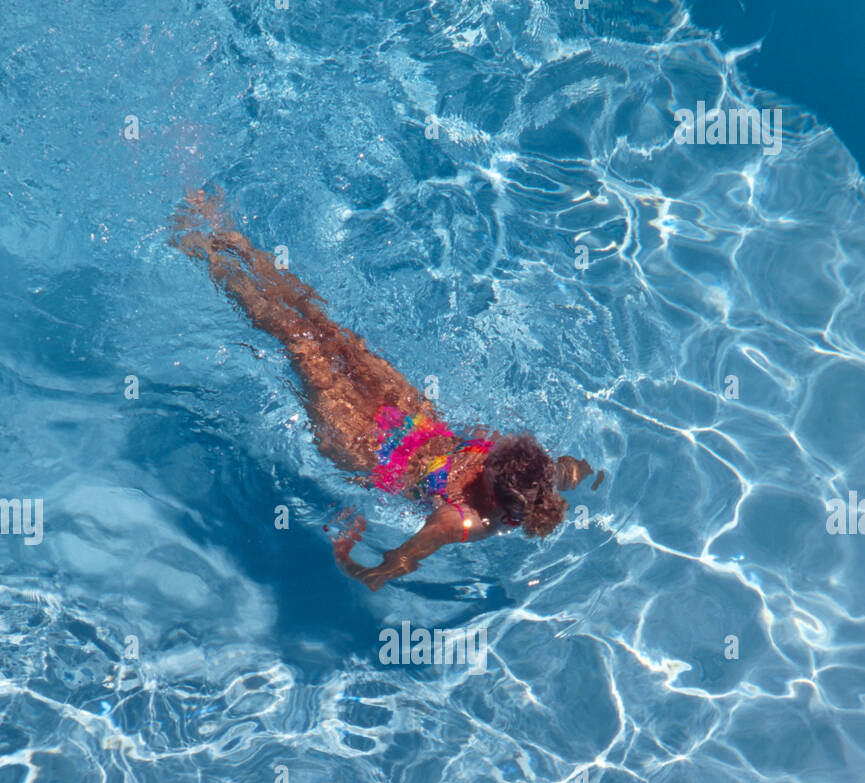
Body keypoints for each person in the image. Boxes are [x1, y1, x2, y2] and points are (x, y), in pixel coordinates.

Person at [170, 189, 601, 589]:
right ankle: (232, 237)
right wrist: (594, 474)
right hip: (417, 420)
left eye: (491, 461)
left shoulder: (458, 521)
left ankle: (206, 252)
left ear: (491, 488)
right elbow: (573, 468)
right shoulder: (543, 475)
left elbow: (391, 568)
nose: (493, 446)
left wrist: (346, 561)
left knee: (298, 339)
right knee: (329, 329)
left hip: (368, 448)